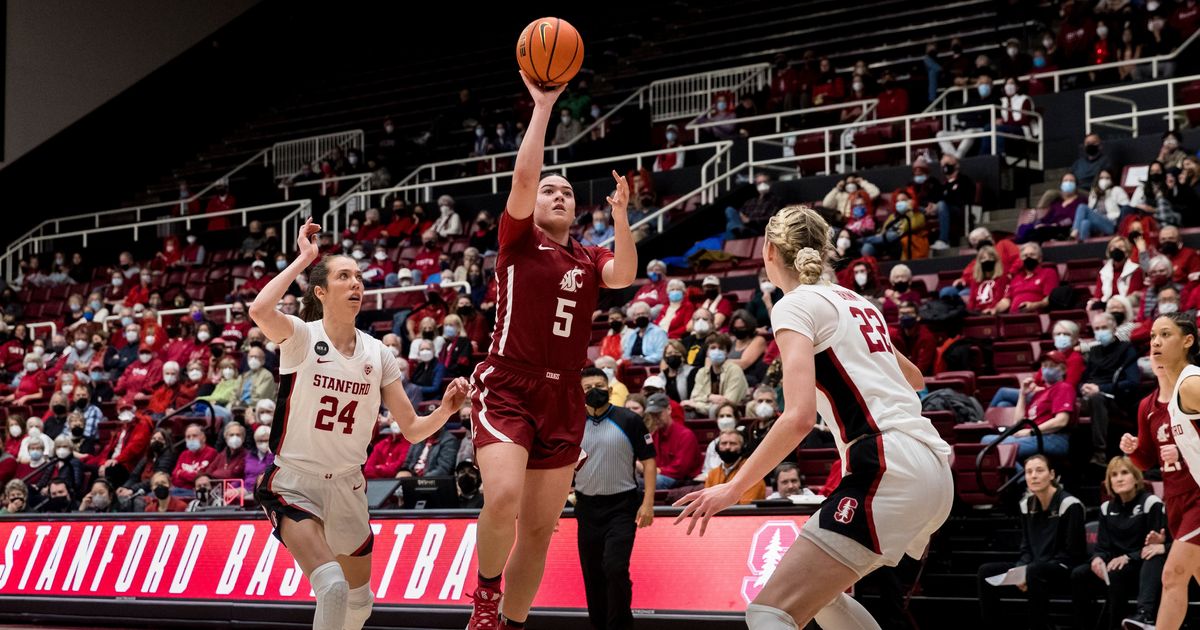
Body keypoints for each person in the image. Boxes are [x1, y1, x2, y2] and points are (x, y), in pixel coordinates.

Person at [674, 205, 952, 630]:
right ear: (825, 251)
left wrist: (733, 487)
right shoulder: (860, 303)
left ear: (768, 251)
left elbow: (799, 418)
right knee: (822, 598)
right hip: (932, 466)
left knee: (768, 612)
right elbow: (913, 377)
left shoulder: (794, 306)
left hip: (885, 462)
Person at [461, 71, 637, 630]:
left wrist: (621, 216)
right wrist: (543, 108)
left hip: (563, 393)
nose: (558, 195)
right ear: (531, 204)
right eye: (549, 189)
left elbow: (626, 273)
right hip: (508, 383)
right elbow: (524, 174)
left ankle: (511, 623)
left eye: (566, 192)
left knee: (539, 529)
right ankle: (485, 598)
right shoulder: (517, 240)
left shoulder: (588, 257)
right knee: (504, 496)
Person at [249, 217, 469, 630]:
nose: (356, 284)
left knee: (360, 602)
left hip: (349, 484)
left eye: (359, 278)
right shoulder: (299, 335)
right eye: (344, 276)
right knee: (330, 585)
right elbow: (259, 309)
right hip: (296, 481)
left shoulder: (378, 352)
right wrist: (305, 259)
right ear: (321, 290)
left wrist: (445, 410)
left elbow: (412, 429)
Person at [1124, 311, 1200, 630]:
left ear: (1187, 341)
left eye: (1165, 334)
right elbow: (1146, 460)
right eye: (1153, 335)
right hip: (1176, 500)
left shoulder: (1191, 382)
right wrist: (1133, 452)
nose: (1155, 341)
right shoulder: (1155, 403)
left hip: (1198, 496)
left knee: (1171, 575)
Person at [575, 367, 656, 630]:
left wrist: (648, 503)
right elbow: (562, 466)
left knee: (615, 567)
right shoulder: (572, 424)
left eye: (599, 385)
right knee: (593, 574)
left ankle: (621, 626)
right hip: (586, 508)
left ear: (610, 390)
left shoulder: (629, 420)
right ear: (579, 393)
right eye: (588, 387)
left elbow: (649, 460)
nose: (594, 391)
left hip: (622, 507)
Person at [976, 455, 1086, 630]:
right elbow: (1026, 548)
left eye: (1039, 470)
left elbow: (1073, 553)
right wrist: (1020, 568)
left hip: (1064, 569)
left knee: (1034, 570)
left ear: (1052, 475)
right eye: (1028, 472)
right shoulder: (1026, 505)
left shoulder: (1070, 504)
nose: (1033, 476)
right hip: (1034, 568)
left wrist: (1027, 570)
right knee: (986, 572)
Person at [1069, 456, 1166, 630]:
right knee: (1079, 574)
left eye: (1124, 473)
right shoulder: (1107, 508)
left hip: (1142, 564)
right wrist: (1097, 558)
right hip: (1116, 562)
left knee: (1116, 573)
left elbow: (1155, 548)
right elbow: (1102, 547)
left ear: (1136, 478)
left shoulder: (1151, 503)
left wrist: (1129, 557)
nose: (1119, 478)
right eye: (1114, 475)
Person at [981, 351, 1074, 460]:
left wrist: (1030, 432)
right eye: (1044, 366)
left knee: (994, 445)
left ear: (1063, 369)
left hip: (1052, 438)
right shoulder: (1040, 393)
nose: (1047, 369)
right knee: (986, 441)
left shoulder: (1063, 387)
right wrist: (1022, 395)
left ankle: (1022, 476)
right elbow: (1017, 423)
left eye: (1052, 366)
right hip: (1034, 437)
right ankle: (1020, 475)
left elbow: (1061, 421)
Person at [703, 429, 765, 504]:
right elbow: (706, 502)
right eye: (724, 443)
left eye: (733, 443)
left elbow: (744, 506)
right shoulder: (712, 474)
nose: (727, 447)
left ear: (743, 447)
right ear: (717, 447)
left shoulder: (752, 473)